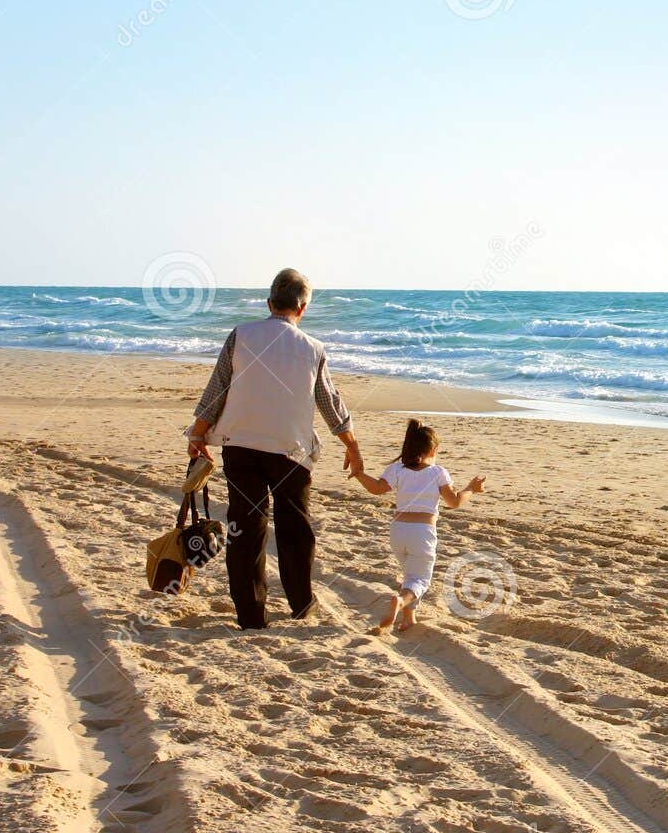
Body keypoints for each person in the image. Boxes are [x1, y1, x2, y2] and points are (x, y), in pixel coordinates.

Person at [186, 268, 364, 629]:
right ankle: (301, 604)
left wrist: (197, 435)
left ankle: (251, 614)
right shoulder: (312, 348)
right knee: (295, 530)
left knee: (246, 529)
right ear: (303, 308)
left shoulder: (241, 335)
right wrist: (351, 444)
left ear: (270, 303)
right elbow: (329, 402)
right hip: (291, 451)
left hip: (241, 446)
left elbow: (216, 390)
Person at [351, 418, 485, 632]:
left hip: (397, 531)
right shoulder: (438, 472)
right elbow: (454, 502)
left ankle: (408, 618)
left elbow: (376, 488)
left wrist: (358, 474)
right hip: (422, 532)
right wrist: (471, 488)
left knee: (411, 575)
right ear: (434, 449)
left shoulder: (397, 469)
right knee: (420, 578)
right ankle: (401, 602)